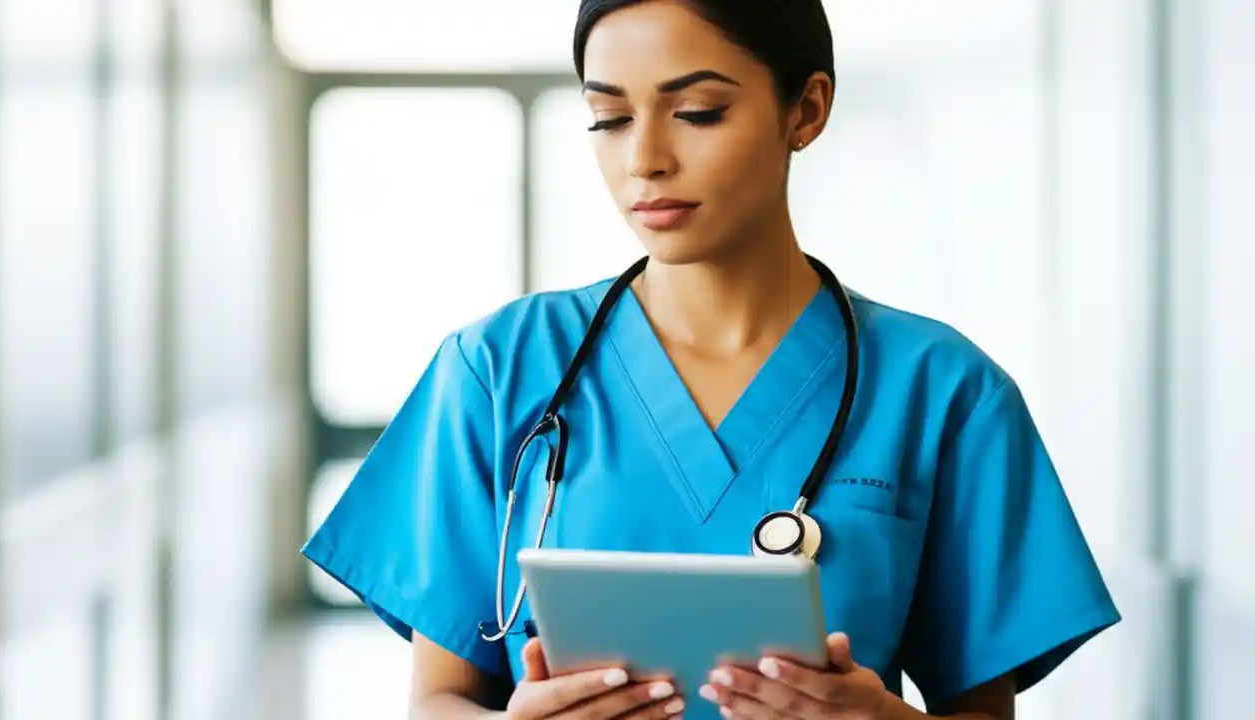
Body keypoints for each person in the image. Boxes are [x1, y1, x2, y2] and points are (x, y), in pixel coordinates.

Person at [302, 1, 1121, 718]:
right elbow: (438, 702)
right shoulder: (498, 369)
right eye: (609, 118)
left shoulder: (943, 393)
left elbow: (984, 713)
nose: (644, 158)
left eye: (695, 111)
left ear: (806, 109)